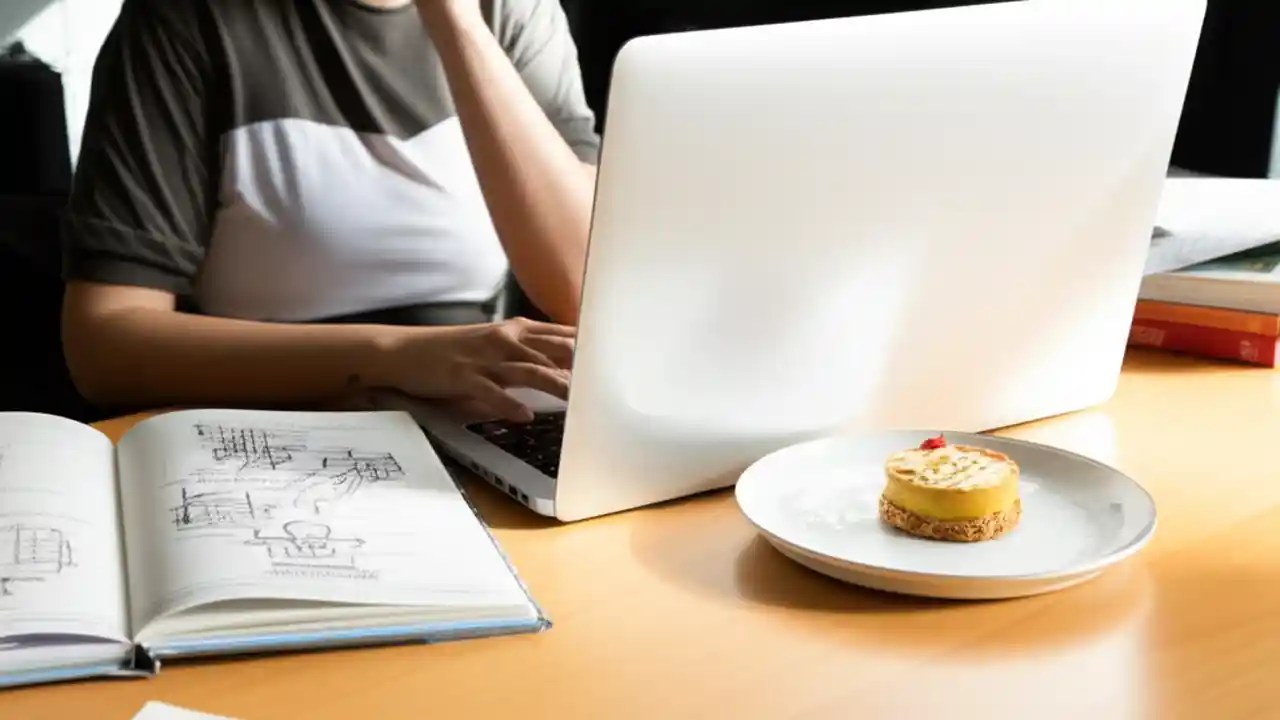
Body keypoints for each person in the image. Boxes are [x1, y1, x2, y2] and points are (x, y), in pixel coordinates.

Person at [60, 0, 598, 422]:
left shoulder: (514, 15)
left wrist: (456, 18)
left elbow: (584, 285)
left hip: (478, 416)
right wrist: (395, 357)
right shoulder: (187, 19)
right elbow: (104, 342)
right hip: (266, 426)